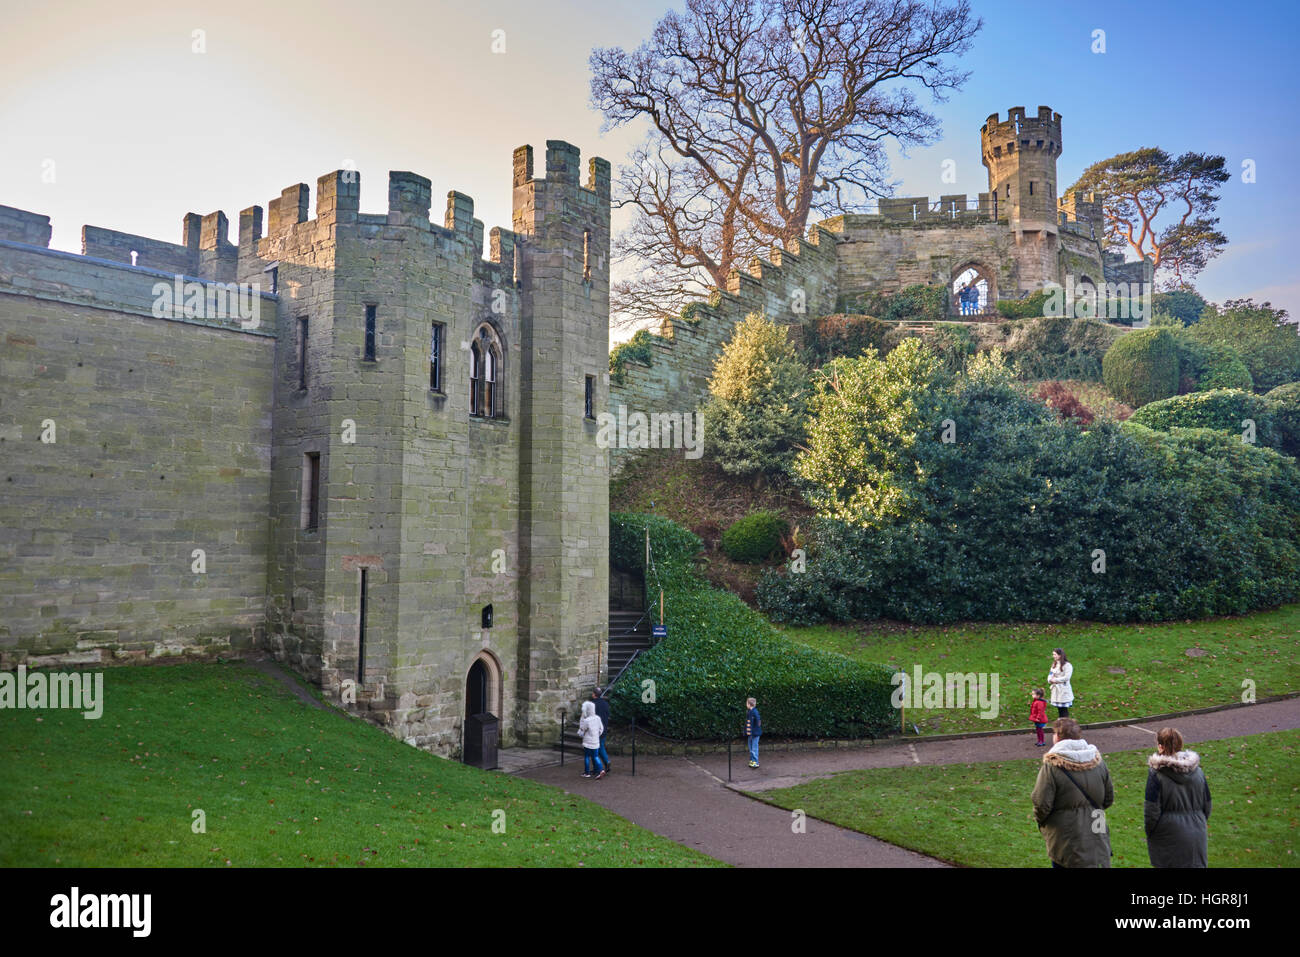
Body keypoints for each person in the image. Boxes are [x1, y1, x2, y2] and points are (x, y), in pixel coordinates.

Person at [1031, 717, 1114, 868]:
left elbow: (1042, 803)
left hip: (1067, 833)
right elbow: (1108, 799)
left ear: (1057, 736)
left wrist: (1041, 821)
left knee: (1067, 860)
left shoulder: (1052, 766)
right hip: (1097, 824)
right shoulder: (1098, 762)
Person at [1144, 727, 1211, 868]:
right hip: (1197, 833)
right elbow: (1207, 805)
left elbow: (1151, 812)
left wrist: (1153, 833)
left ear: (1160, 747)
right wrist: (1197, 821)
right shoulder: (1198, 772)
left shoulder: (1157, 774)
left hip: (1168, 835)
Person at [578, 700, 605, 779]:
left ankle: (587, 773)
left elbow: (582, 729)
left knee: (587, 757)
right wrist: (597, 735)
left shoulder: (587, 720)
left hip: (587, 742)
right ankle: (601, 770)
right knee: (595, 756)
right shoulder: (598, 718)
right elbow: (601, 729)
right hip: (596, 741)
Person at [1048, 648, 1073, 718]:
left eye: (1055, 654)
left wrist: (1055, 680)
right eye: (1053, 654)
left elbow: (1066, 677)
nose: (1053, 656)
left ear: (1060, 655)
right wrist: (1050, 679)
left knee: (1064, 710)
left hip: (1063, 690)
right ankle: (1062, 725)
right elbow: (1050, 674)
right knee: (1060, 709)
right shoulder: (1054, 664)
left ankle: (1066, 725)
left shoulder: (1067, 665)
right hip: (1056, 691)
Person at [592, 687, 612, 774]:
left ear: (594, 694)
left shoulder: (592, 704)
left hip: (595, 729)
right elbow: (608, 715)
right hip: (603, 728)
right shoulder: (605, 703)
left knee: (594, 749)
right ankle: (606, 761)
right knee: (601, 746)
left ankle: (597, 768)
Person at [745, 696, 761, 768]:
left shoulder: (754, 712)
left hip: (754, 734)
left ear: (749, 704)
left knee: (754, 747)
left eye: (746, 703)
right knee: (750, 747)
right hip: (750, 734)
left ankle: (755, 762)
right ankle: (752, 760)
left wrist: (755, 731)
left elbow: (758, 722)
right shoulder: (749, 712)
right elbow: (748, 723)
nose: (746, 704)